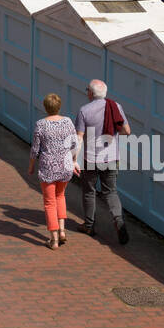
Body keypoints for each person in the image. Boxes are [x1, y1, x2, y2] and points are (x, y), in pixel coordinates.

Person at [73, 79, 131, 244]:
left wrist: (74, 160)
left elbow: (79, 138)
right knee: (110, 192)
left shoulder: (84, 110)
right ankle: (118, 220)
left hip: (90, 158)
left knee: (89, 191)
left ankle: (89, 225)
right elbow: (127, 131)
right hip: (111, 158)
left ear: (90, 93)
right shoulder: (116, 107)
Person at [28, 92, 79, 249]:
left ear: (45, 107)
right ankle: (62, 230)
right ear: (59, 106)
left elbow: (35, 149)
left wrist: (31, 166)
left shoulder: (41, 125)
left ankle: (54, 239)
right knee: (60, 196)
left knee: (49, 202)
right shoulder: (68, 122)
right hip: (65, 167)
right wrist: (74, 160)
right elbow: (74, 144)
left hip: (48, 168)